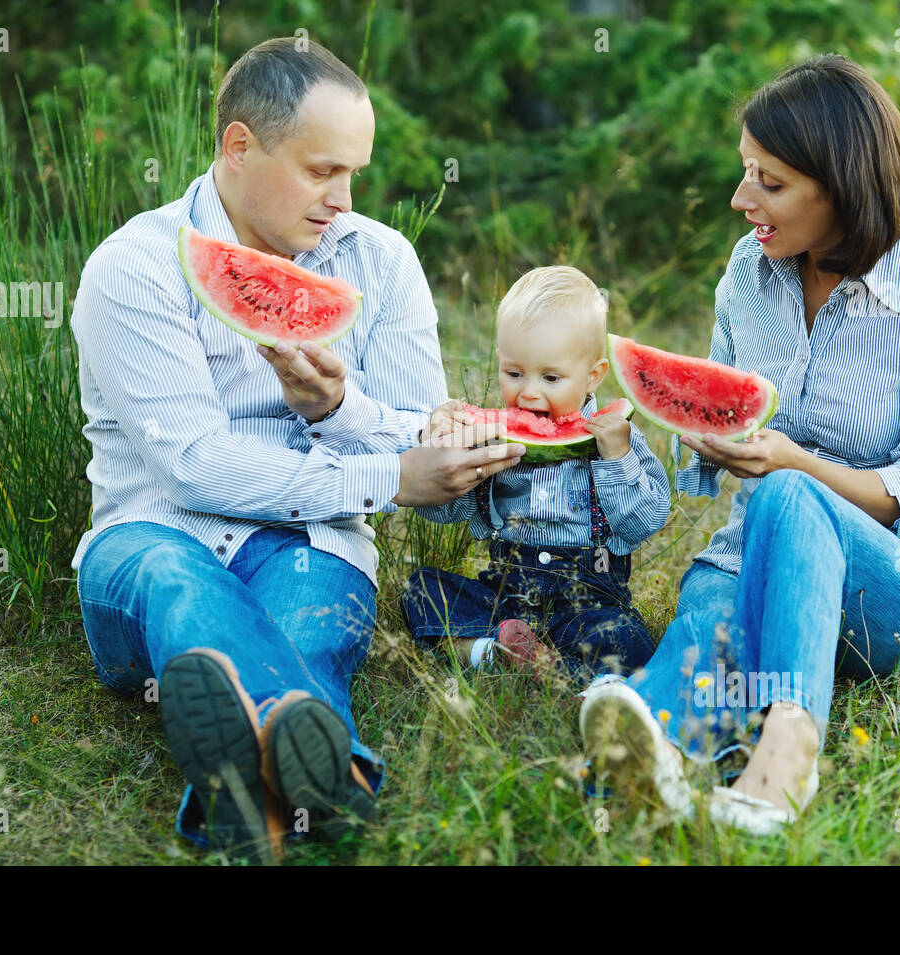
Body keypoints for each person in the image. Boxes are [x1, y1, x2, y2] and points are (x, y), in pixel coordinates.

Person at [70, 37, 523, 861]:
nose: (344, 200)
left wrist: (341, 408)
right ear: (239, 147)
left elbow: (417, 423)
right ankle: (328, 770)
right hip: (149, 541)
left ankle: (261, 799)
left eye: (355, 173)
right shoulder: (132, 268)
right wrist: (386, 475)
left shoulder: (381, 261)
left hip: (310, 545)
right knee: (185, 587)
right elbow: (195, 465)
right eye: (322, 171)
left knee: (305, 623)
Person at [580, 54, 900, 833]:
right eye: (746, 173)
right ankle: (652, 744)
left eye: (768, 183)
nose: (742, 200)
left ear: (841, 186)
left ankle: (788, 753)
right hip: (756, 560)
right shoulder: (749, 272)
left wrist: (794, 465)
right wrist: (700, 446)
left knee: (787, 492)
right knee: (704, 621)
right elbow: (712, 451)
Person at [400, 266, 670, 683]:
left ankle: (558, 673)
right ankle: (492, 651)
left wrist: (616, 460)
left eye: (550, 377)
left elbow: (642, 524)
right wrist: (445, 454)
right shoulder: (490, 437)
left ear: (593, 375)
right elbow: (443, 513)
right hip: (506, 597)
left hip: (589, 600)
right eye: (514, 373)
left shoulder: (618, 438)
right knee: (422, 589)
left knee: (625, 637)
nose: (528, 392)